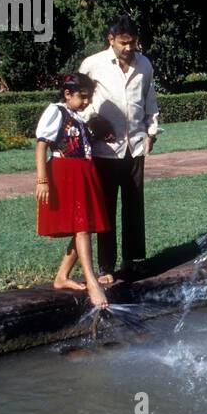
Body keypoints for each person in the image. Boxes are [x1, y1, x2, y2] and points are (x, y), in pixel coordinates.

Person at [79, 16, 160, 284]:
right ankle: (106, 266)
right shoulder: (93, 64)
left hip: (135, 145)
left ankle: (134, 261)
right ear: (110, 39)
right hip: (105, 149)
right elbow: (78, 97)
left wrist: (151, 131)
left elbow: (150, 100)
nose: (129, 48)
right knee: (106, 207)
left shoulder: (144, 64)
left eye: (133, 42)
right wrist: (93, 118)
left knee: (134, 204)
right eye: (123, 43)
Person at [34, 73, 110, 309]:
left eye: (89, 97)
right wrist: (42, 180)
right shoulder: (56, 111)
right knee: (82, 228)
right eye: (83, 97)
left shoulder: (77, 115)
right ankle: (92, 283)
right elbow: (41, 146)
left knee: (84, 226)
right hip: (65, 174)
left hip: (82, 173)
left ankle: (62, 276)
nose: (86, 102)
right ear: (68, 94)